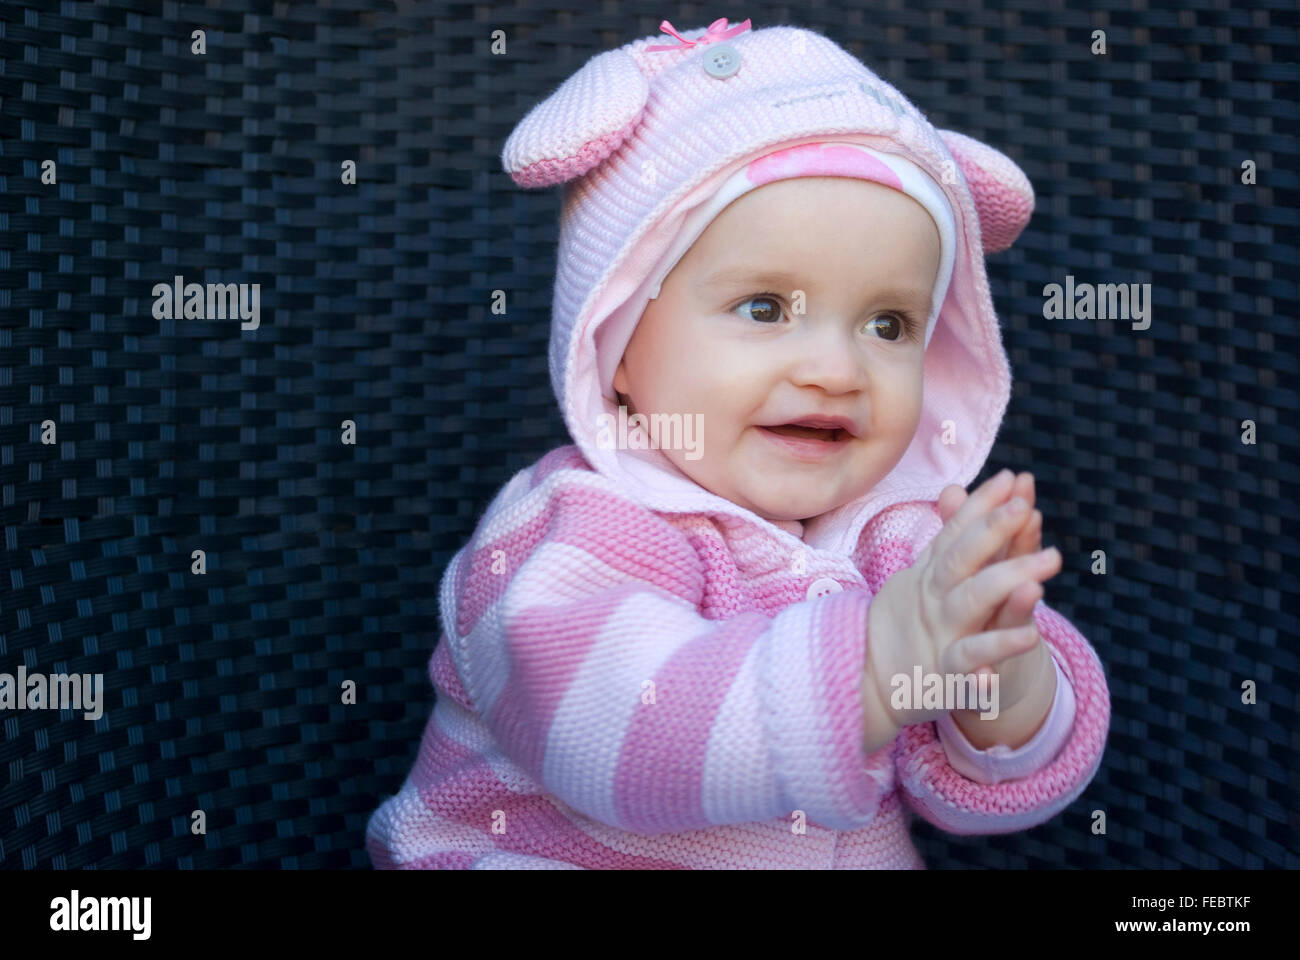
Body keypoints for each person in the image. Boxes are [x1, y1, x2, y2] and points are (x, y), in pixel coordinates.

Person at [367, 16, 1110, 869]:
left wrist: (992, 672)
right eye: (764, 308)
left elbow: (983, 790)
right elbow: (613, 731)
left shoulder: (904, 547)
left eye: (888, 322)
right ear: (616, 338)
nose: (837, 368)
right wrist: (875, 667)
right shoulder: (573, 528)